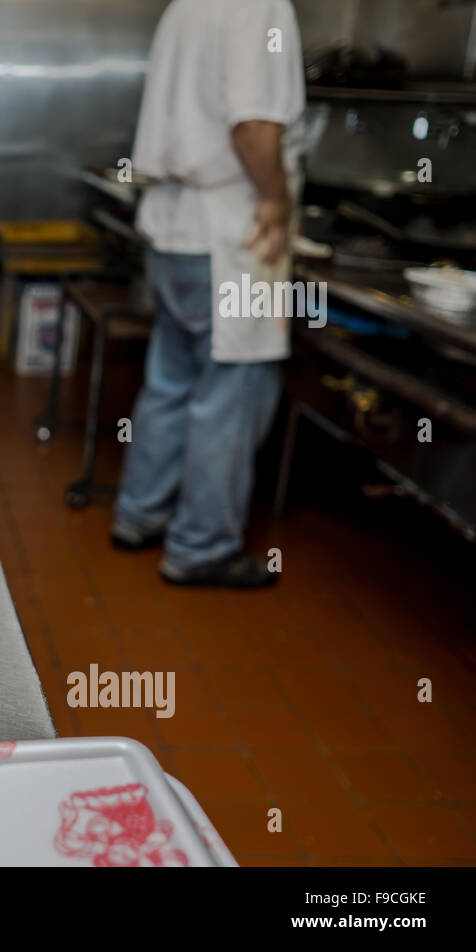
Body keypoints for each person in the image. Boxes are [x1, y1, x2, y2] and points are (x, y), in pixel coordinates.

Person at [112, 0, 306, 587]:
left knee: (170, 380)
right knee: (232, 393)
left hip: (174, 228)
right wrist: (275, 198)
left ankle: (140, 514)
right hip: (232, 231)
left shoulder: (187, 5)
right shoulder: (260, 5)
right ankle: (200, 548)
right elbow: (252, 124)